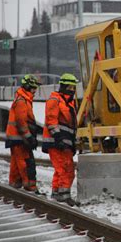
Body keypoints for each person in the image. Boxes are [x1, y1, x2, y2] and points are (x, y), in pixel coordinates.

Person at [42, 73, 79, 206]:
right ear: (63, 86)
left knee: (67, 168)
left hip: (66, 142)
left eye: (74, 87)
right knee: (63, 168)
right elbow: (51, 121)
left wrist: (72, 143)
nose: (72, 89)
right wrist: (58, 138)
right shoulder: (55, 100)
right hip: (56, 142)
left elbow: (71, 125)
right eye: (70, 86)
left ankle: (57, 193)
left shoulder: (70, 102)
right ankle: (63, 196)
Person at [5, 74, 41, 192]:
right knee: (25, 161)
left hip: (15, 138)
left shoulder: (23, 99)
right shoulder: (22, 101)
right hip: (19, 139)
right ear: (27, 87)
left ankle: (14, 185)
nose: (35, 91)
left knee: (16, 162)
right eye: (33, 88)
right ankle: (29, 186)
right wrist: (29, 138)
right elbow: (21, 122)